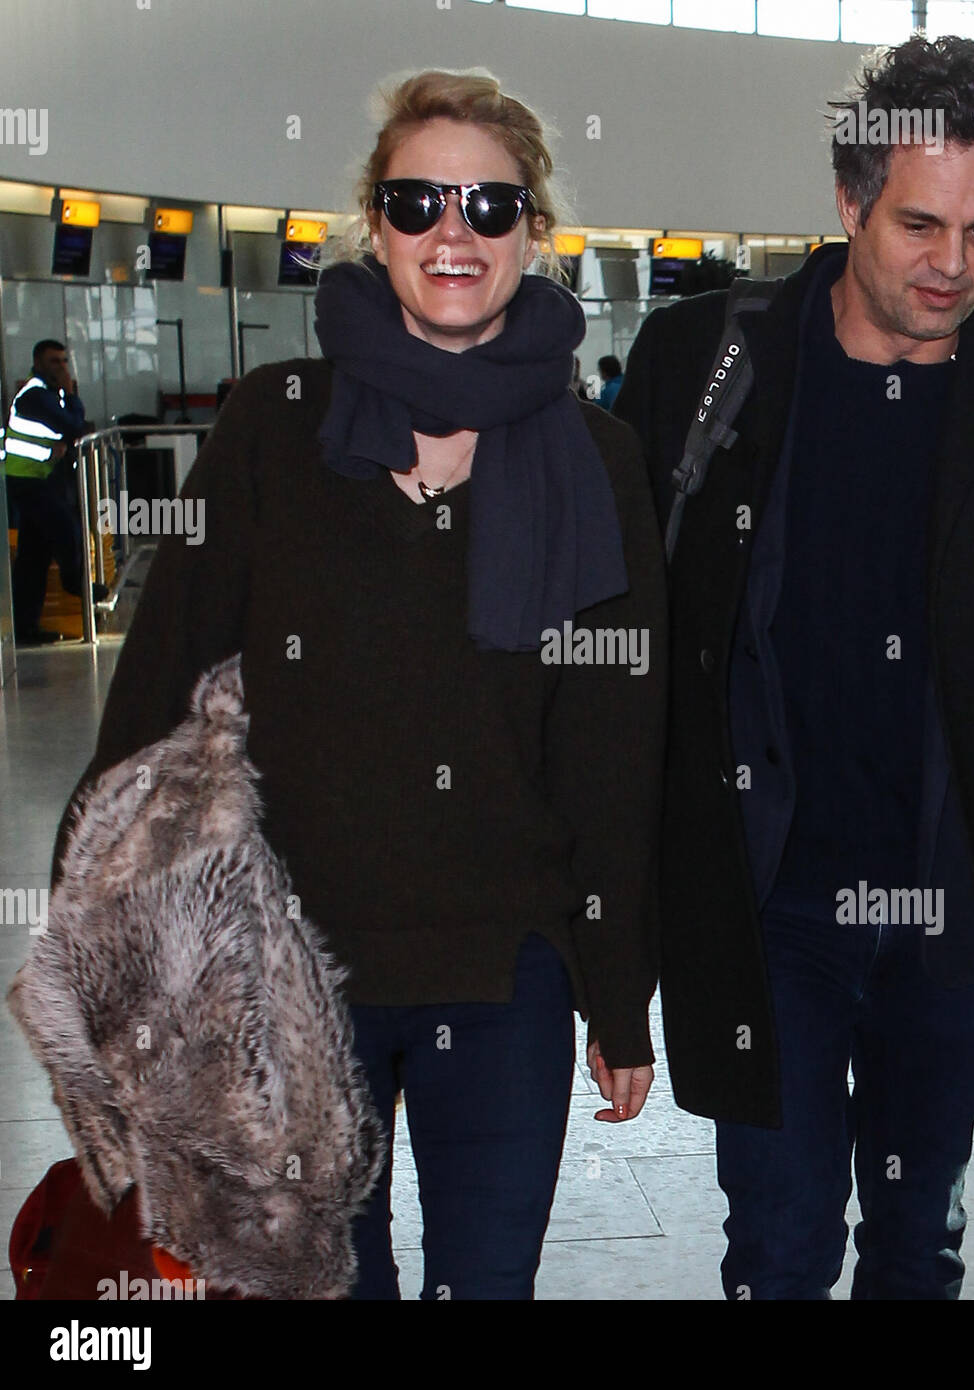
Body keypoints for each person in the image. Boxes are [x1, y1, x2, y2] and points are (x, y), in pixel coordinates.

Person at [51, 68, 666, 1300]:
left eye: (491, 207)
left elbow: (616, 744)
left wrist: (618, 995)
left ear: (535, 233)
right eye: (418, 200)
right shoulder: (277, 425)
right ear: (373, 224)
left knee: (485, 1284)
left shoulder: (593, 454)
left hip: (507, 968)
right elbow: (158, 690)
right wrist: (102, 948)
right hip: (288, 975)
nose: (454, 231)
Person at [614, 34, 974, 1300]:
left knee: (919, 1248)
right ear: (849, 200)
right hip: (769, 909)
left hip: (951, 915)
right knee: (782, 1243)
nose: (953, 264)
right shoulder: (706, 364)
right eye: (920, 224)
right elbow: (624, 650)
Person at [2, 339, 92, 644]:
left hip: (39, 478)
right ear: (38, 363)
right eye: (55, 361)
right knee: (65, 528)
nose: (62, 367)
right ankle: (74, 580)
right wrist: (72, 396)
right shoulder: (36, 396)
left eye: (65, 361)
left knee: (33, 557)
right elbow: (74, 427)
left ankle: (26, 628)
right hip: (28, 481)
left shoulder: (51, 395)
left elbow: (68, 428)